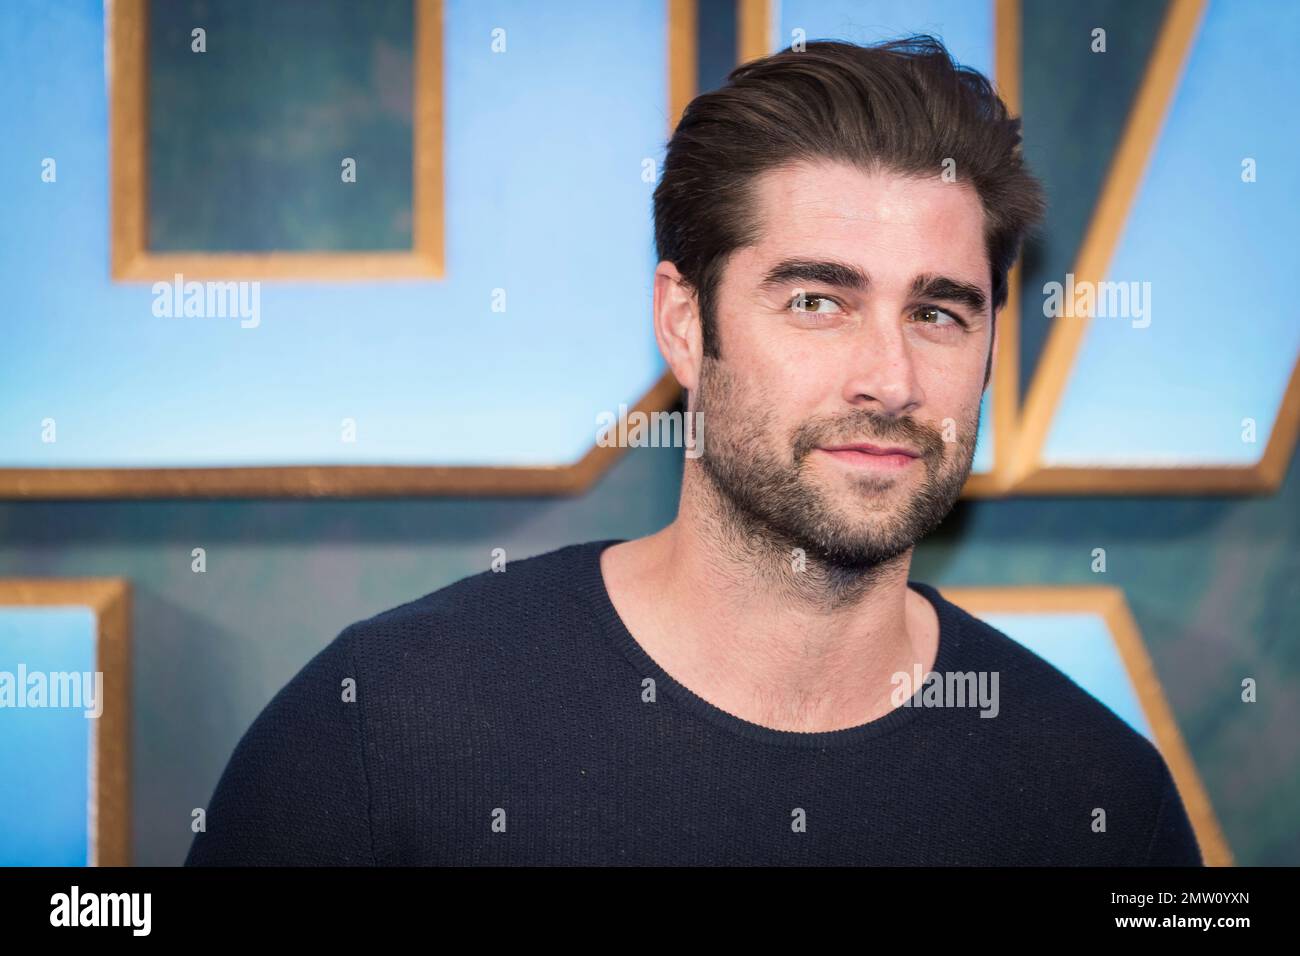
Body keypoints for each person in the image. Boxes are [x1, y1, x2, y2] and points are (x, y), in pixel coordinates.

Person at [186, 36, 1202, 866]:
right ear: (683, 322)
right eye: (816, 300)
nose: (889, 378)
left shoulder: (1099, 799)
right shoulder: (386, 724)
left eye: (937, 311)